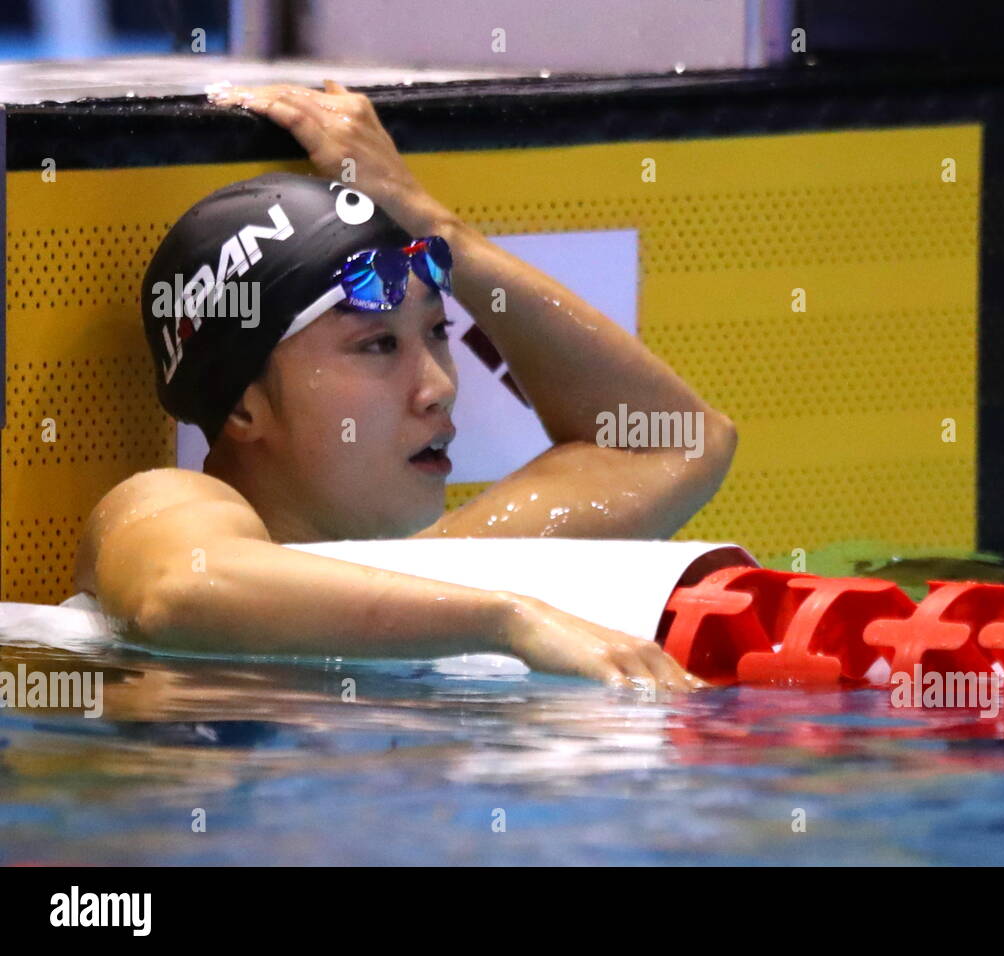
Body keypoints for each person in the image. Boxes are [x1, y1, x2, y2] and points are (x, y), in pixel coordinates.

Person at [72, 80, 738, 692]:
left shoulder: (436, 575)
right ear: (245, 404)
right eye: (378, 344)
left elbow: (673, 443)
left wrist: (437, 226)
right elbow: (180, 589)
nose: (439, 387)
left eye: (438, 333)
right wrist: (509, 621)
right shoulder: (162, 501)